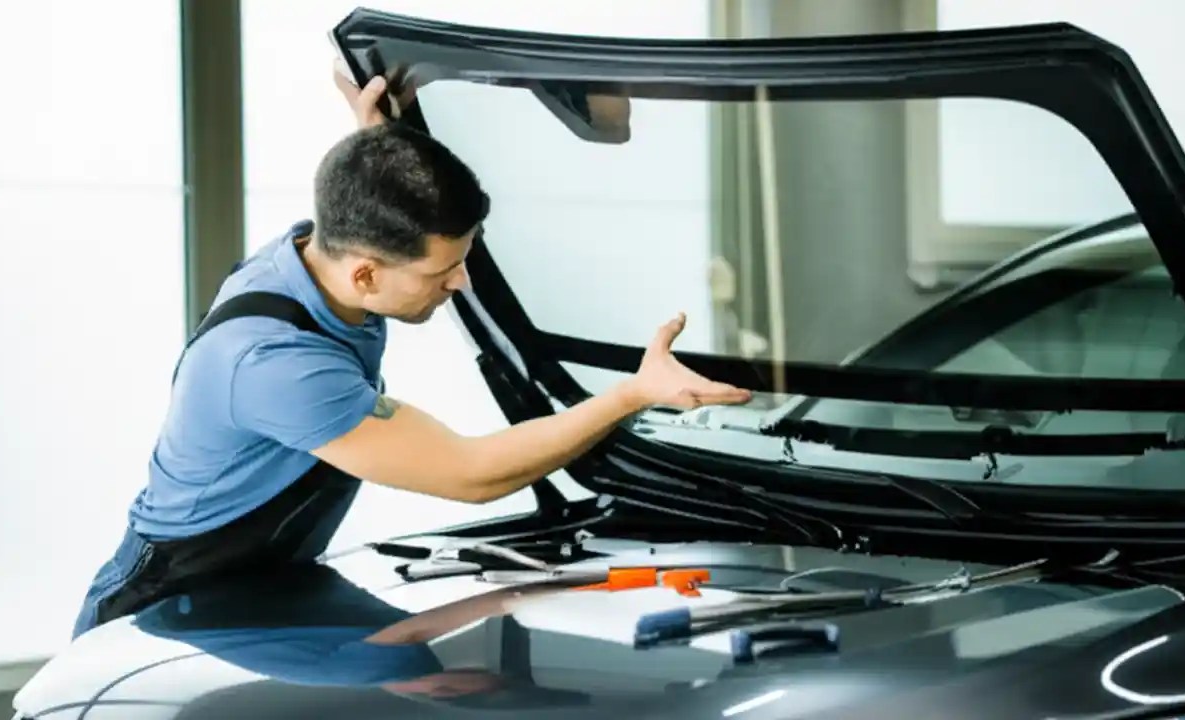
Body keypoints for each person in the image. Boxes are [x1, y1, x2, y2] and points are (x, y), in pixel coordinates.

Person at [70, 72, 750, 639]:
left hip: (259, 589)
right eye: (443, 271)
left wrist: (382, 146)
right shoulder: (276, 365)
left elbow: (367, 200)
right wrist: (633, 392)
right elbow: (472, 474)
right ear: (366, 274)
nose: (462, 284)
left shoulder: (326, 251)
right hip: (161, 613)